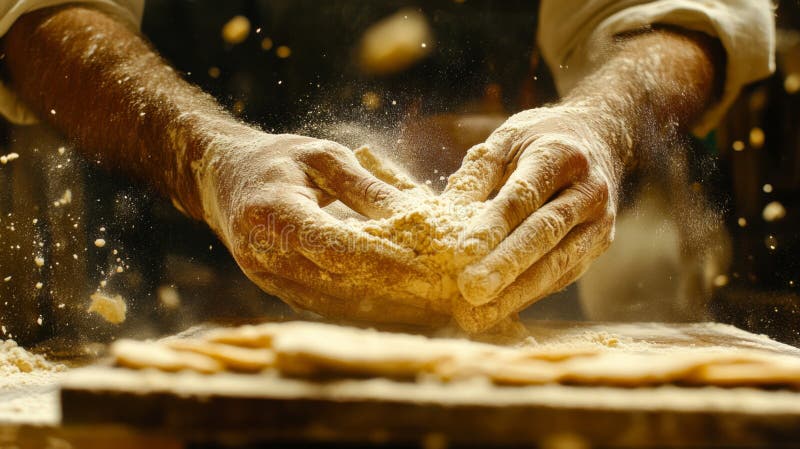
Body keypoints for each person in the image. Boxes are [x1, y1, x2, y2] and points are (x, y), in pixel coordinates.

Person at [0, 1, 775, 332]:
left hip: (541, 303)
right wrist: (202, 155)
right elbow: (37, 13)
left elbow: (684, 16)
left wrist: (603, 120)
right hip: (173, 295)